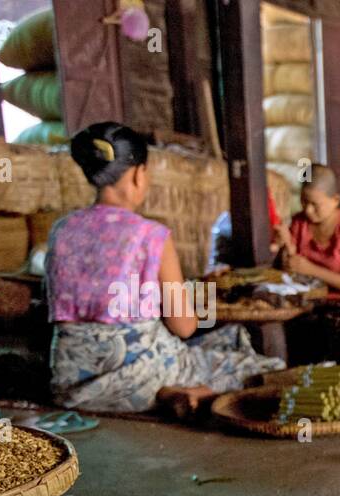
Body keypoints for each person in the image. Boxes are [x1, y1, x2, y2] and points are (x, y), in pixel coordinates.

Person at [46, 122, 283, 413]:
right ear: (137, 174)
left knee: (228, 338)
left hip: (70, 384)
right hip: (140, 378)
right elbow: (184, 327)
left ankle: (176, 394)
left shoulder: (61, 230)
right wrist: (200, 294)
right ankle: (183, 393)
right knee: (266, 368)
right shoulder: (150, 235)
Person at [274, 164, 340, 303]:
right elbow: (290, 266)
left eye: (315, 204)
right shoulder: (300, 221)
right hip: (309, 302)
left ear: (335, 200)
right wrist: (283, 245)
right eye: (304, 201)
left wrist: (312, 270)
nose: (308, 210)